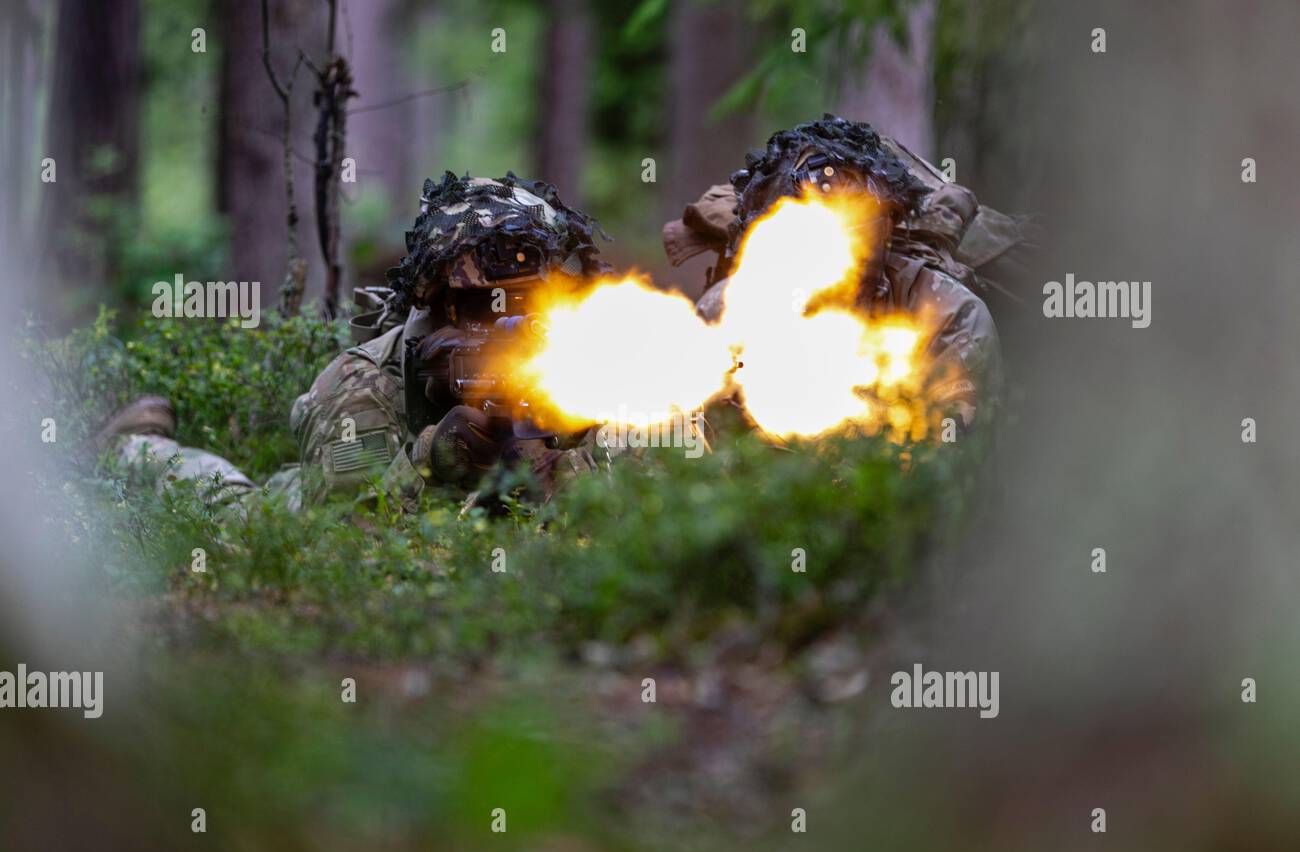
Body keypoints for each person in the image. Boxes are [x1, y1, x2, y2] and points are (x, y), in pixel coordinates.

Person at [97, 172, 612, 514]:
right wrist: (431, 460)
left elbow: (650, 510)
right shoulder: (363, 385)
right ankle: (138, 447)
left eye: (531, 304)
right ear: (436, 302)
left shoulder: (596, 367)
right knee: (233, 507)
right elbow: (337, 538)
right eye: (485, 306)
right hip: (316, 502)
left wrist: (565, 460)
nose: (512, 324)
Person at [663, 115, 1031, 431]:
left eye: (856, 228)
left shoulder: (947, 314)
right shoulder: (727, 311)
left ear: (887, 227)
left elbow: (953, 463)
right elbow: (687, 453)